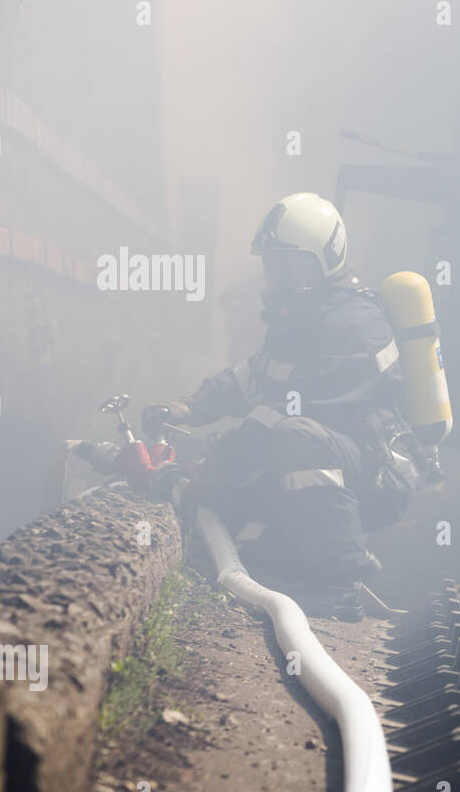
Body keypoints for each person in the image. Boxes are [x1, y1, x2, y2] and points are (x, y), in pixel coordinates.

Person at [144, 192, 425, 620]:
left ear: (323, 262)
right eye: (271, 264)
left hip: (376, 470)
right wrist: (188, 407)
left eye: (288, 265)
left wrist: (215, 462)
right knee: (250, 501)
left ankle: (337, 583)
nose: (276, 276)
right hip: (332, 457)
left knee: (289, 444)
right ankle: (287, 564)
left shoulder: (352, 326)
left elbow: (287, 416)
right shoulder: (303, 315)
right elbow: (251, 378)